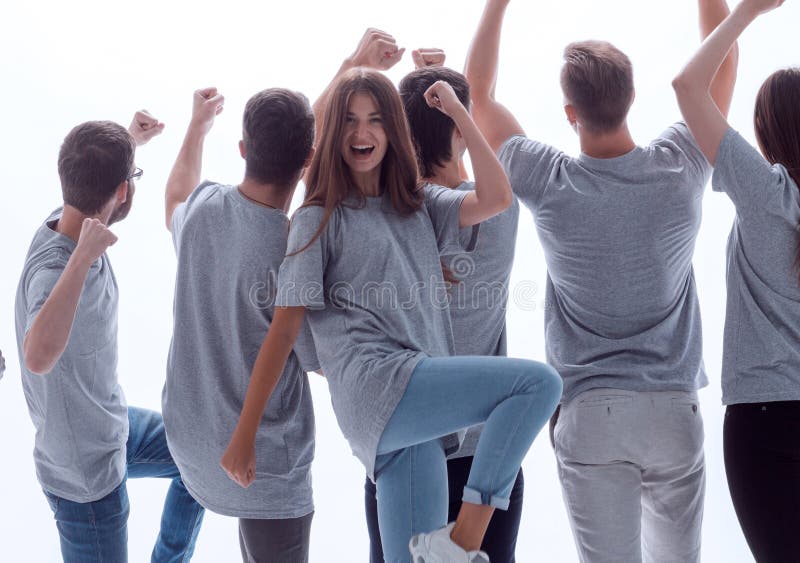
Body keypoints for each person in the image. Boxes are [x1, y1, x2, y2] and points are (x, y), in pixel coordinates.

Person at [220, 54, 562, 562]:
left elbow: (495, 197)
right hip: (378, 383)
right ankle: (465, 540)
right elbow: (284, 330)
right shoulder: (317, 215)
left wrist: (456, 110)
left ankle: (446, 547)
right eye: (351, 120)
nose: (364, 132)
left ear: (394, 130)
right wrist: (243, 434)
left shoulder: (417, 203)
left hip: (411, 412)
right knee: (538, 384)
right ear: (334, 133)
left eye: (377, 119)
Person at [465, 1, 738, 561]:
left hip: (590, 415)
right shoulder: (681, 164)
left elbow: (479, 95)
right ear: (632, 97)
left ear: (570, 112)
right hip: (672, 412)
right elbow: (725, 62)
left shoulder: (548, 179)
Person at [14, 112, 205, 563]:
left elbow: (93, 175)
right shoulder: (54, 272)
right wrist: (81, 259)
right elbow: (37, 356)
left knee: (201, 454)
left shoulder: (63, 215)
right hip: (85, 483)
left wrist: (129, 141)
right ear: (123, 191)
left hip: (112, 429)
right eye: (130, 179)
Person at [363, 56, 525, 562]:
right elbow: (511, 143)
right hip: (487, 452)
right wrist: (455, 104)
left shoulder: (391, 217)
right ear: (461, 132)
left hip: (408, 440)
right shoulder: (502, 209)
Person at [162, 86, 319, 563]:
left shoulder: (202, 208)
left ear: (244, 150)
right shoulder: (294, 252)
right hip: (264, 470)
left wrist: (197, 125)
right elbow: (318, 359)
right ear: (308, 160)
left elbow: (174, 194)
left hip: (191, 448)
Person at [672, 0, 798, 560]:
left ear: (766, 130)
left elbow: (688, 86)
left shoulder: (768, 193)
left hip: (764, 421)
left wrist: (745, 12)